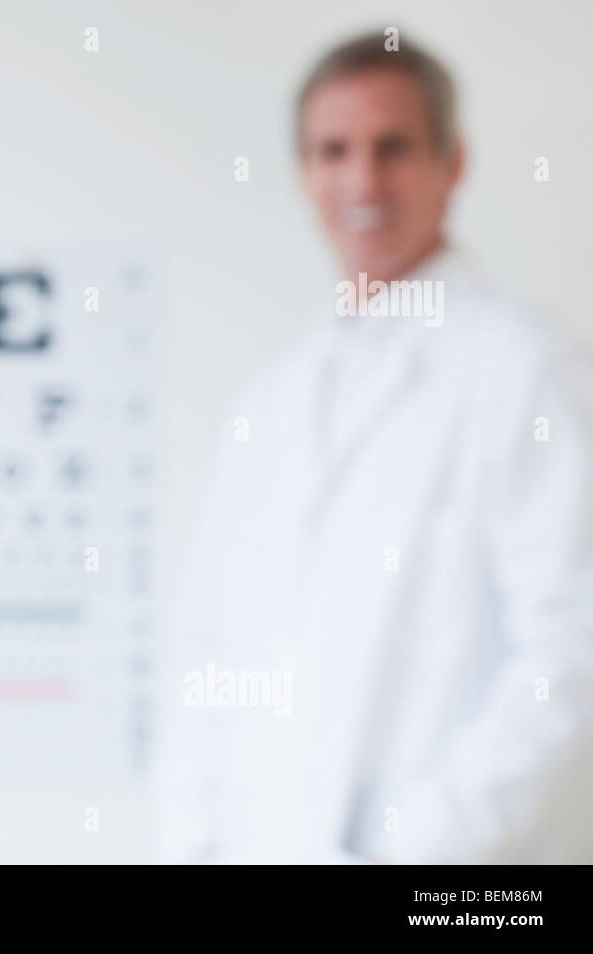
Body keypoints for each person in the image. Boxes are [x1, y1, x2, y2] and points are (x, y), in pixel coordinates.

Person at [150, 32, 593, 863]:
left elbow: (573, 647)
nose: (362, 181)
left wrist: (416, 841)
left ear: (452, 163)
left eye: (394, 148)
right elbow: (205, 651)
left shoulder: (527, 371)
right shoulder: (270, 401)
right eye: (334, 151)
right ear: (303, 172)